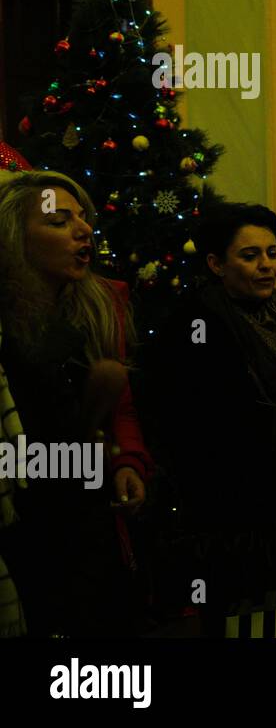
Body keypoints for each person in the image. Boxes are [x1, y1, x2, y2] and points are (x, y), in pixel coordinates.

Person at [143, 202, 276, 637]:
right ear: (215, 264)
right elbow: (207, 436)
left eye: (272, 252)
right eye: (249, 256)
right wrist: (275, 495)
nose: (266, 266)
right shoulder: (198, 325)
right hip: (231, 521)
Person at [0, 169, 151, 637]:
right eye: (59, 221)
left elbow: (119, 410)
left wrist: (126, 460)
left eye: (82, 218)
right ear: (12, 240)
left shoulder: (95, 311)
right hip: (29, 546)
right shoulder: (10, 335)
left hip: (91, 542)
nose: (84, 229)